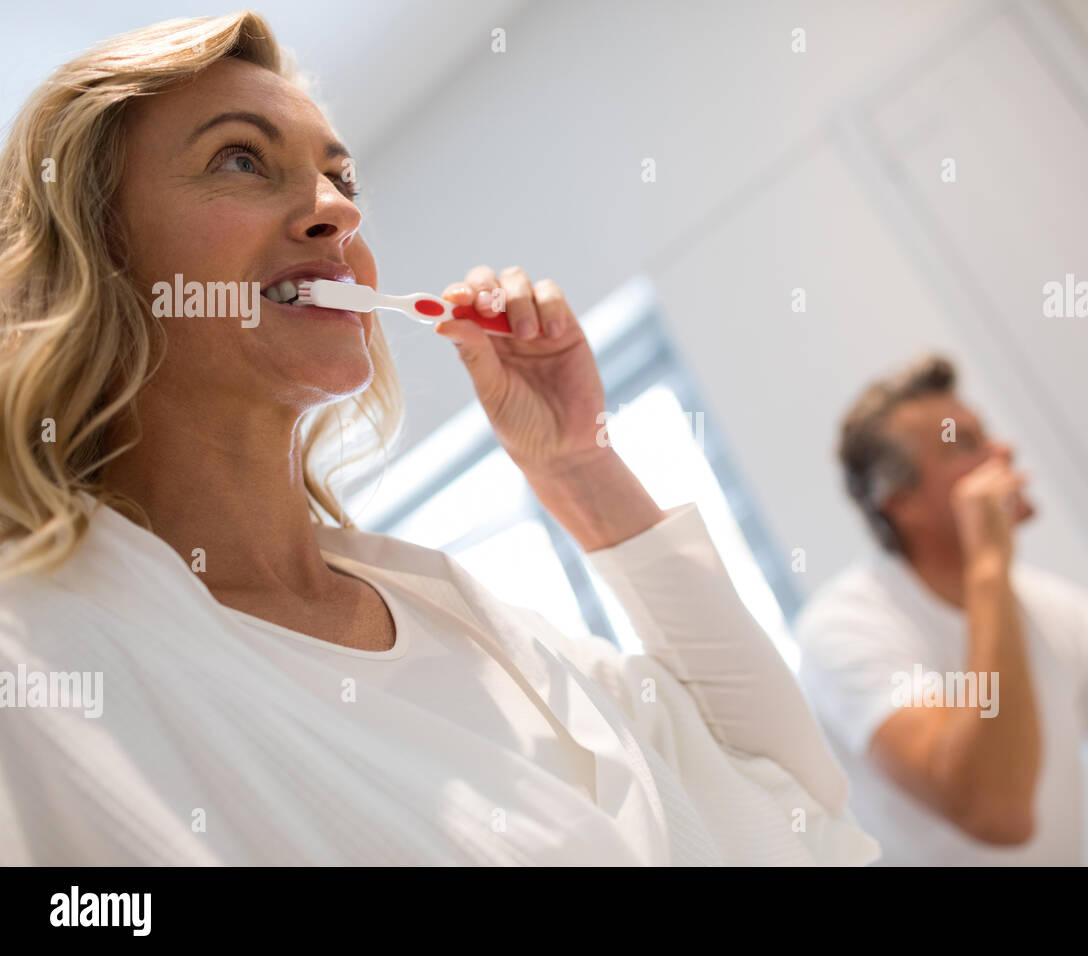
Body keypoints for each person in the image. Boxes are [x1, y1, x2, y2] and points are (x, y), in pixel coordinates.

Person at [0, 12, 877, 866]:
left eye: (341, 179)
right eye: (241, 159)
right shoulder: (42, 666)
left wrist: (578, 465)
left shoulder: (464, 623)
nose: (335, 213)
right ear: (93, 251)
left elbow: (793, 799)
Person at [794, 354, 1088, 865]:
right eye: (966, 445)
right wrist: (988, 567)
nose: (1004, 452)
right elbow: (994, 812)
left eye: (987, 434)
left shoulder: (1069, 616)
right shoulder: (845, 627)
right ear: (900, 503)